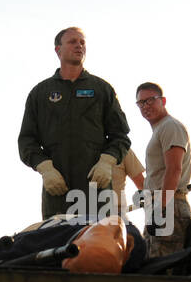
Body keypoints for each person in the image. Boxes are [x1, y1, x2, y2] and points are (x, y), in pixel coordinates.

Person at [18, 26, 131, 219]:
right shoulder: (40, 93)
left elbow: (120, 136)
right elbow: (27, 140)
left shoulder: (102, 89)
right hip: (57, 190)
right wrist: (45, 169)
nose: (79, 46)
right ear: (58, 50)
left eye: (82, 42)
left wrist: (107, 161)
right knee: (58, 245)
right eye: (72, 42)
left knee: (99, 246)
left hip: (97, 189)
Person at [134, 82, 191, 257]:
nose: (146, 106)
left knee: (165, 269)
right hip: (160, 207)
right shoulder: (160, 130)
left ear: (163, 100)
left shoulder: (170, 126)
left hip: (169, 207)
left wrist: (160, 209)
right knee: (153, 264)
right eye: (141, 103)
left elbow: (174, 169)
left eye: (151, 100)